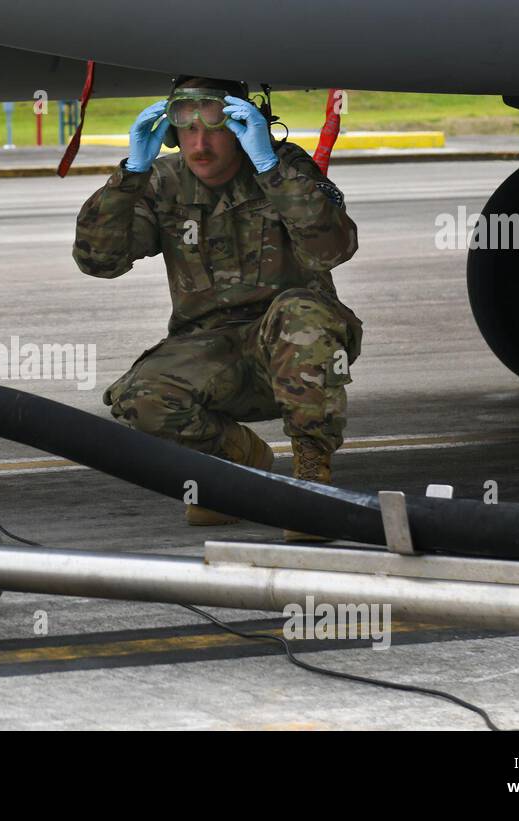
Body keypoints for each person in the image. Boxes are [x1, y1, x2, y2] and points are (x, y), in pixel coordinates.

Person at [72, 76, 363, 538]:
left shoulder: (284, 169)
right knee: (138, 400)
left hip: (292, 346)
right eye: (187, 129)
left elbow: (333, 249)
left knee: (301, 315)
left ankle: (312, 483)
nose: (199, 144)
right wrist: (130, 173)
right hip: (212, 350)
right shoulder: (163, 181)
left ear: (243, 127)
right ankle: (235, 462)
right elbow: (98, 260)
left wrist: (269, 167)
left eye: (214, 127)